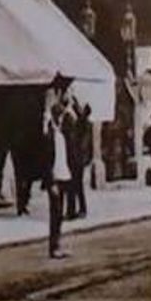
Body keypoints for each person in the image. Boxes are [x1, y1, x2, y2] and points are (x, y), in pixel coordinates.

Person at [45, 99, 74, 259]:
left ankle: (58, 244)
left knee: (60, 214)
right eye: (60, 115)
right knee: (55, 214)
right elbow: (46, 161)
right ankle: (53, 247)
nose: (62, 118)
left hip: (64, 175)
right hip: (55, 178)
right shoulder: (50, 134)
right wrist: (51, 183)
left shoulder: (62, 133)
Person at [66, 96, 91, 220]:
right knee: (76, 186)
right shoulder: (83, 123)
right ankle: (77, 210)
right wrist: (74, 101)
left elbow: (82, 145)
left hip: (77, 160)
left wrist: (74, 102)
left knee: (75, 186)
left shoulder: (84, 124)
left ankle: (76, 210)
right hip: (77, 159)